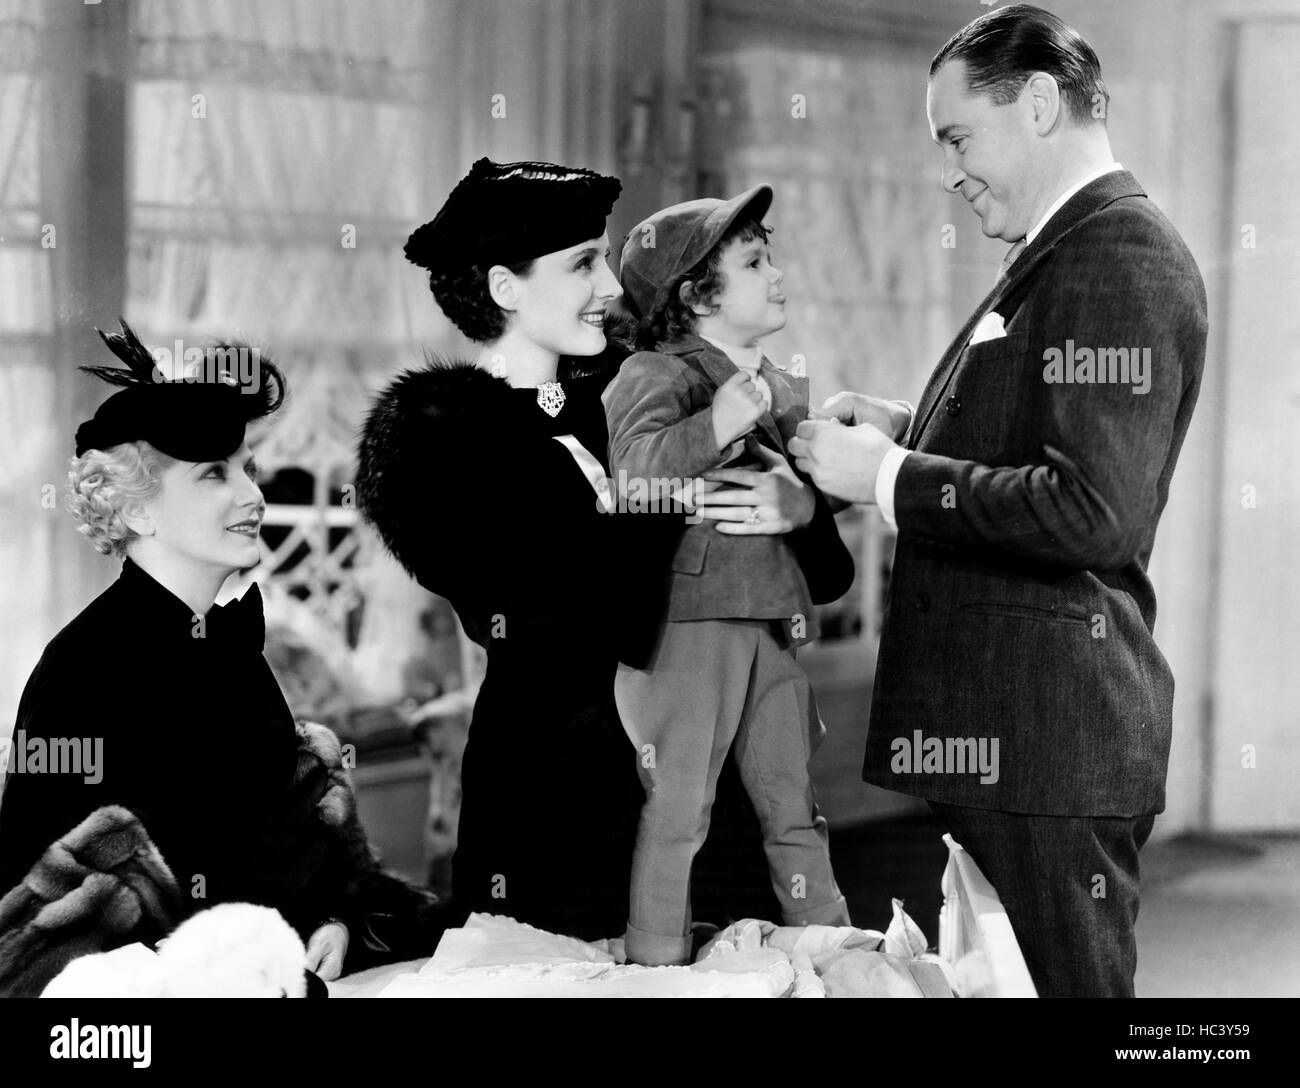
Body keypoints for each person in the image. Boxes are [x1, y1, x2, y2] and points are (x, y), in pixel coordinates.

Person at [790, 4, 1207, 997]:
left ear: (1034, 105)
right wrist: (906, 428)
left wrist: (886, 480)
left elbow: (1087, 507)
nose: (951, 169)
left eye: (957, 136)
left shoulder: (1118, 257)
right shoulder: (1064, 250)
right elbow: (1042, 439)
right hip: (1021, 743)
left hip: (1047, 744)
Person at [355, 159, 817, 942]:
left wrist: (796, 505)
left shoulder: (644, 391)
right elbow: (550, 616)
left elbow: (814, 570)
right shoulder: (440, 441)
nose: (610, 284)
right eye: (581, 264)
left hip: (710, 772)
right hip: (557, 796)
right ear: (505, 288)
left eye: (605, 257)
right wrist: (681, 492)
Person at [0, 323, 438, 993]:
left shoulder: (234, 654)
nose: (253, 495)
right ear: (138, 512)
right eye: (214, 475)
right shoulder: (82, 674)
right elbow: (44, 948)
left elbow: (285, 861)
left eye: (248, 469)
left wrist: (334, 922)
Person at [602, 186, 855, 966]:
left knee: (793, 802)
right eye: (754, 262)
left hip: (773, 621)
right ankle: (655, 962)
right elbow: (635, 477)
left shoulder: (774, 381)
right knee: (679, 806)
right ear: (695, 295)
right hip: (694, 622)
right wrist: (715, 425)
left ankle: (831, 944)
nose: (776, 274)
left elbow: (814, 500)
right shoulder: (656, 371)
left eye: (768, 255)